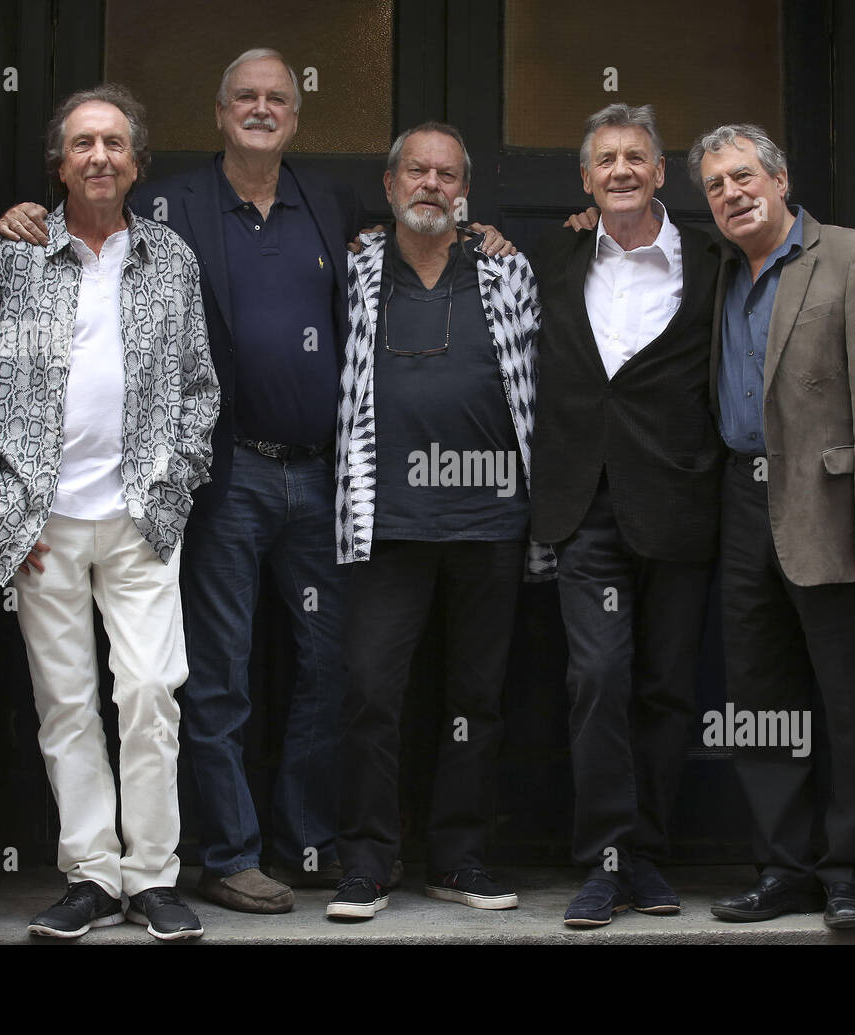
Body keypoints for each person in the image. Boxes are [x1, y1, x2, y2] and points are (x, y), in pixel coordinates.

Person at [0, 49, 514, 913]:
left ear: (297, 115)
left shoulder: (329, 203)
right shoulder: (170, 209)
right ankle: (230, 854)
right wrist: (29, 215)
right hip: (225, 476)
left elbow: (415, 231)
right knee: (215, 675)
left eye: (278, 97)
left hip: (323, 477)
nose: (263, 108)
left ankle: (305, 841)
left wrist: (480, 230)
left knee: (329, 669)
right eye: (246, 96)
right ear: (219, 111)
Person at [0, 83, 218, 940]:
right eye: (83, 144)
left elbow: (198, 391)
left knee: (150, 691)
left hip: (143, 516)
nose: (99, 157)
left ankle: (152, 877)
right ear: (59, 162)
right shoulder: (15, 261)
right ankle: (90, 875)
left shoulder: (172, 260)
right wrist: (8, 506)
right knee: (66, 702)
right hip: (45, 520)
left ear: (137, 162)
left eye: (114, 143)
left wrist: (173, 489)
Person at [325, 123, 552, 921]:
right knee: (370, 692)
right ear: (389, 187)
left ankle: (459, 857)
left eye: (446, 174)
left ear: (465, 192)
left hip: (491, 521)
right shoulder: (352, 268)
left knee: (476, 698)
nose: (431, 184)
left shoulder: (505, 268)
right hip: (383, 519)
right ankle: (366, 862)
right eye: (415, 171)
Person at [692, 123, 855, 929]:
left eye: (744, 176)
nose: (732, 194)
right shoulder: (718, 269)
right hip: (742, 502)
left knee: (849, 700)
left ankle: (851, 873)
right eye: (716, 186)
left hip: (834, 510)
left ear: (780, 179)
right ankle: (782, 868)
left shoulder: (850, 256)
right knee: (761, 699)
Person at [529, 103, 723, 927]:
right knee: (598, 679)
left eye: (634, 157)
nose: (619, 171)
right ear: (585, 178)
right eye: (604, 159)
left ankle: (647, 854)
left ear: (660, 170)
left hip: (680, 502)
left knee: (669, 689)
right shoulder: (553, 252)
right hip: (585, 506)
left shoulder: (714, 263)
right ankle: (604, 861)